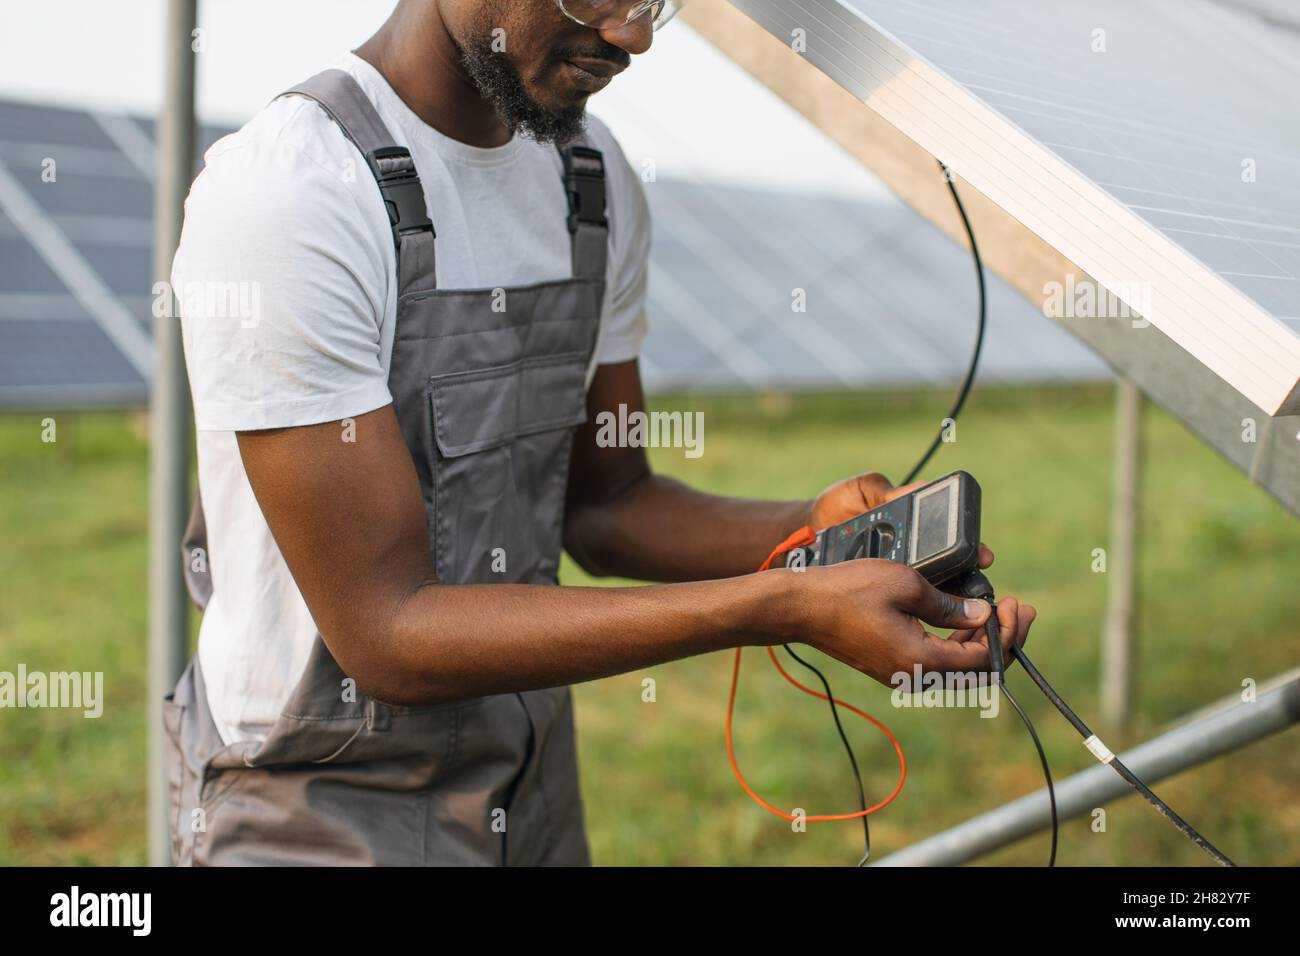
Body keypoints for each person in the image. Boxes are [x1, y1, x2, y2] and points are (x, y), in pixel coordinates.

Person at [165, 0, 1035, 866]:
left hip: (529, 777)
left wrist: (813, 531)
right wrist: (783, 607)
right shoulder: (291, 194)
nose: (632, 35)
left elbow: (607, 502)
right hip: (318, 810)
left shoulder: (592, 179)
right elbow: (386, 632)